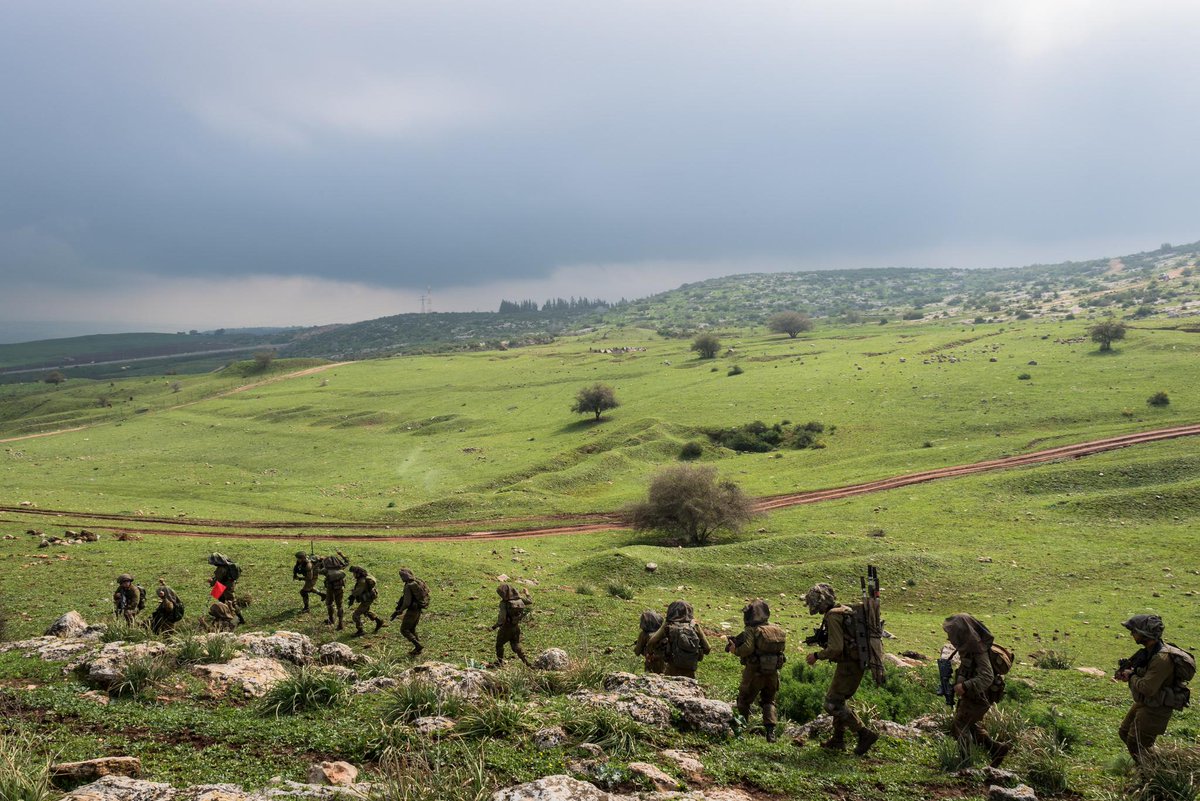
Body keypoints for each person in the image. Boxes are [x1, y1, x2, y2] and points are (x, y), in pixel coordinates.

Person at [803, 583, 878, 755]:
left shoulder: (833, 616)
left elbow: (836, 648)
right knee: (838, 700)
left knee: (832, 703)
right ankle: (837, 740)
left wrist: (817, 655)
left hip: (849, 664)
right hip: (854, 662)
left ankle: (864, 733)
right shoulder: (843, 609)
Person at [1116, 614, 1192, 763]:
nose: (1132, 634)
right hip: (1148, 701)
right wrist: (1132, 673)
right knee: (1125, 732)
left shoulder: (1161, 659)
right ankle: (1150, 766)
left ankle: (1155, 774)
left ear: (1146, 634)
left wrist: (1131, 677)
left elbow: (1147, 688)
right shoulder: (1150, 652)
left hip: (1157, 706)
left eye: (1134, 631)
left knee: (1137, 744)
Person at [942, 613, 1010, 767]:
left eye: (951, 634)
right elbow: (967, 669)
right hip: (972, 695)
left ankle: (965, 764)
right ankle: (996, 749)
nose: (949, 638)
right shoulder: (969, 648)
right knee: (969, 726)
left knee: (960, 724)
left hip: (979, 697)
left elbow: (987, 677)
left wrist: (965, 686)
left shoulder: (979, 651)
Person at [728, 599, 787, 742]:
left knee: (744, 700)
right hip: (772, 673)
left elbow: (747, 648)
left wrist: (735, 650)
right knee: (769, 701)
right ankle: (771, 733)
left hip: (754, 673)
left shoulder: (751, 630)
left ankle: (740, 731)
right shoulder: (775, 629)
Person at [647, 600, 710, 678]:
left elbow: (651, 642)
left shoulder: (669, 626)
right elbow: (707, 648)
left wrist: (664, 624)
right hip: (690, 670)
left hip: (672, 668)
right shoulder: (694, 626)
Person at [491, 583, 533, 667]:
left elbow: (502, 618)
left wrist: (494, 626)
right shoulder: (520, 600)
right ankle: (526, 662)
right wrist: (527, 593)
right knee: (515, 645)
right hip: (516, 627)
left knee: (499, 645)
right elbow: (530, 601)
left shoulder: (504, 603)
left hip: (506, 628)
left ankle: (499, 662)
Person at [391, 567, 430, 655]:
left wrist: (400, 610)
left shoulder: (409, 586)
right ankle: (418, 647)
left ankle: (418, 645)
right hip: (418, 609)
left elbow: (407, 602)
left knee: (404, 629)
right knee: (412, 628)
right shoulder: (418, 581)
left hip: (412, 610)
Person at [207, 553, 245, 625]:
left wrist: (211, 581)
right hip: (227, 585)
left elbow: (217, 580)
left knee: (231, 602)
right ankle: (224, 613)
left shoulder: (221, 569)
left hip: (226, 587)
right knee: (220, 597)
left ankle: (239, 619)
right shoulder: (227, 566)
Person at [348, 566, 385, 637]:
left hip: (367, 599)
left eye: (354, 573)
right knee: (366, 611)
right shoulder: (365, 577)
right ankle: (379, 621)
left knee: (356, 615)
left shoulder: (362, 581)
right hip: (368, 597)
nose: (353, 575)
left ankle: (360, 630)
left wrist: (352, 596)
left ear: (358, 574)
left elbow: (358, 592)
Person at [633, 610, 668, 674]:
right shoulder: (663, 633)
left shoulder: (644, 635)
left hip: (651, 664)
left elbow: (637, 652)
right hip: (665, 663)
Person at [322, 564, 347, 630]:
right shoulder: (340, 570)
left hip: (330, 590)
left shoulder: (326, 570)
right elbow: (346, 563)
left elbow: (317, 571)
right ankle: (340, 623)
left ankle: (331, 619)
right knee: (339, 606)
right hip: (339, 589)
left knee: (329, 604)